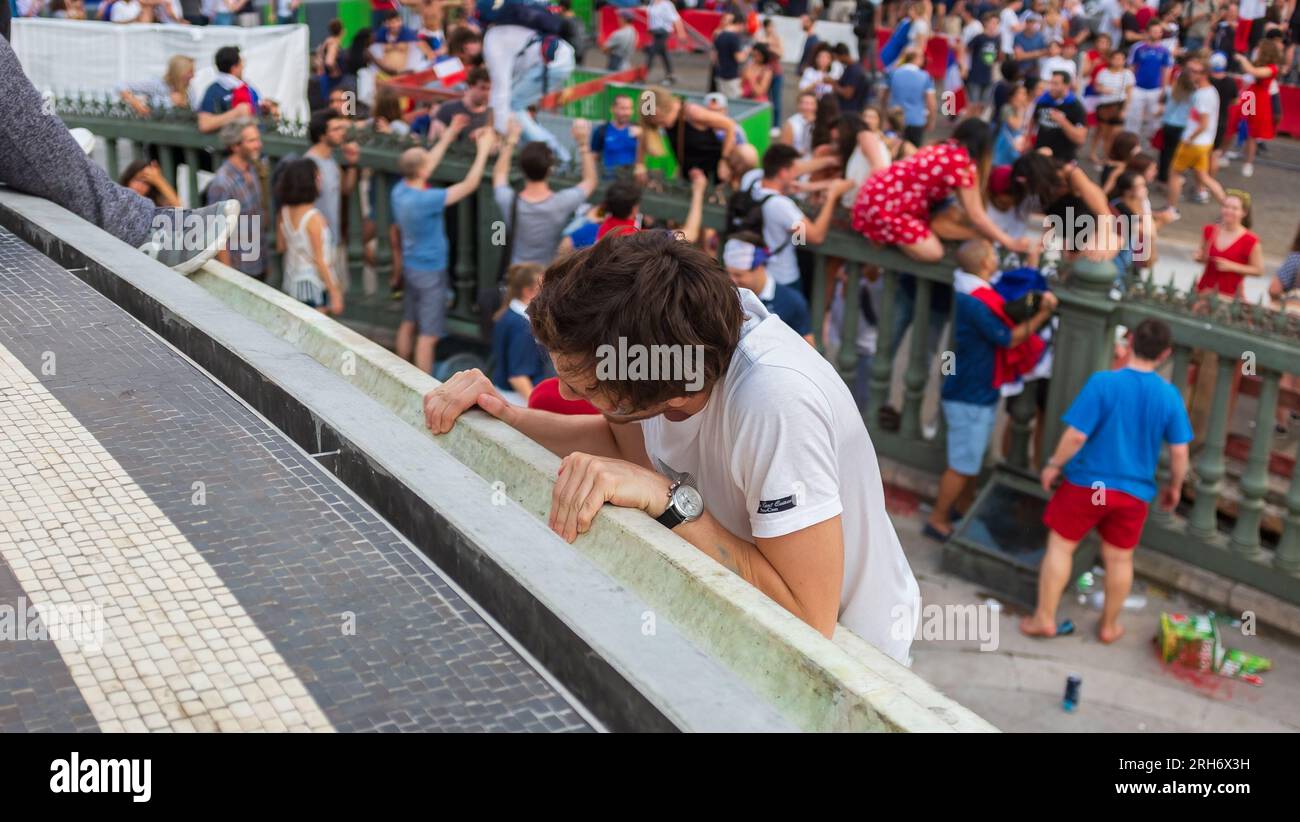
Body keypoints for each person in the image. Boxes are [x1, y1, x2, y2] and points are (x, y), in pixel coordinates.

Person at [421, 230, 922, 662]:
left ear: (675, 389)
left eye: (588, 387)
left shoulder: (775, 401)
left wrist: (669, 500)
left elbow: (808, 618)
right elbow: (622, 442)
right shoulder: (674, 338)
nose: (567, 395)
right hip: (743, 621)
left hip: (849, 660)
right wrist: (505, 416)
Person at [1022, 319, 1191, 643]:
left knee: (1060, 546)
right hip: (1132, 492)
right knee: (1119, 558)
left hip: (1089, 486)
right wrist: (1175, 486)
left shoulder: (1103, 383)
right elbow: (1180, 452)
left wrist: (1054, 465)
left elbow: (1075, 436)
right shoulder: (1169, 396)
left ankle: (1044, 618)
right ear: (1165, 354)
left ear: (1129, 342)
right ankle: (1109, 626)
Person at [925, 239, 1059, 541]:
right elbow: (1007, 338)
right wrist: (1043, 315)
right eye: (993, 255)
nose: (997, 259)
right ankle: (938, 519)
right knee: (962, 466)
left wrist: (1033, 261)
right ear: (985, 264)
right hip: (969, 393)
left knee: (970, 461)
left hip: (975, 390)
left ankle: (962, 508)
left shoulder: (977, 291)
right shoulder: (975, 301)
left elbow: (1012, 289)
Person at [852, 118, 1034, 263]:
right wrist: (1008, 241)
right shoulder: (962, 164)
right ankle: (886, 236)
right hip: (886, 206)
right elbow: (976, 215)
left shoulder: (943, 147)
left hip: (874, 196)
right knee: (934, 253)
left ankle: (882, 236)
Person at [390, 125, 496, 375]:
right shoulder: (428, 199)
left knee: (408, 322)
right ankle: (421, 384)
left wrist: (449, 134)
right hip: (431, 273)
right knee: (429, 336)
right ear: (422, 170)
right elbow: (470, 184)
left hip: (411, 266)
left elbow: (426, 165)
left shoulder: (399, 191)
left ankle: (396, 370)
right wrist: (482, 150)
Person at [738, 144, 857, 289]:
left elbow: (798, 238)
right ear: (783, 173)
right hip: (781, 279)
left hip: (755, 271)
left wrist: (828, 162)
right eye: (794, 169)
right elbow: (816, 236)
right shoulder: (781, 206)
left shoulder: (750, 179)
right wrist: (831, 197)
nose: (798, 174)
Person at [494, 118, 599, 267]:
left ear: (523, 169)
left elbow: (499, 175)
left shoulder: (508, 200)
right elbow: (590, 181)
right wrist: (583, 144)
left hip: (516, 274)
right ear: (550, 169)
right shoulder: (560, 203)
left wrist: (511, 141)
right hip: (545, 275)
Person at [483, 22, 575, 160]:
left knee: (512, 106)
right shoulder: (506, 32)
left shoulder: (495, 46)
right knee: (513, 107)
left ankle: (556, 153)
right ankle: (547, 152)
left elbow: (501, 92)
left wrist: (497, 132)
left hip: (552, 64)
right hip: (557, 60)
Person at [275, 159, 344, 315]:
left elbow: (281, 246)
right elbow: (320, 261)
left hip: (293, 282)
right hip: (314, 286)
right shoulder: (314, 218)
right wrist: (335, 292)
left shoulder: (283, 213)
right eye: (318, 177)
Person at [305, 108, 361, 296]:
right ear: (322, 135)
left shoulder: (331, 161)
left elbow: (346, 188)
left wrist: (352, 164)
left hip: (333, 240)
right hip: (316, 245)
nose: (342, 133)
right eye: (335, 129)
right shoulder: (311, 164)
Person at [723, 233, 815, 344]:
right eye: (728, 273)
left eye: (738, 275)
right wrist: (699, 361)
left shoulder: (792, 301)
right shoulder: (723, 295)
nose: (731, 281)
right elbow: (702, 343)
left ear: (759, 268)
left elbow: (809, 348)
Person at [1165, 55, 1227, 215]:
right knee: (1204, 177)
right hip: (1204, 143)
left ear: (1204, 73)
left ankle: (1171, 208)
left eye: (1195, 71)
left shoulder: (1203, 95)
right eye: (1190, 70)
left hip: (1194, 143)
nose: (1191, 73)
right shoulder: (1210, 91)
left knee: (1174, 173)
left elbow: (1203, 123)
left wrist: (1188, 138)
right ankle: (1227, 205)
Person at [636, 86, 737, 182]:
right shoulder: (655, 118)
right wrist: (640, 164)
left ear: (666, 109)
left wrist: (724, 161)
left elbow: (729, 125)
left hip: (713, 166)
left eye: (662, 121)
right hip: (690, 173)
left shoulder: (692, 112)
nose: (662, 126)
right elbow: (645, 134)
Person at [206, 118, 266, 282]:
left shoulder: (252, 168)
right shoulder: (222, 182)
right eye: (252, 141)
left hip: (258, 260)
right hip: (239, 267)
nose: (258, 145)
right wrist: (229, 275)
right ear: (235, 146)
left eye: (258, 139)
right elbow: (217, 231)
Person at [491, 262, 552, 403]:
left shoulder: (509, 314)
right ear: (528, 292)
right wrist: (537, 408)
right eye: (544, 289)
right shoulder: (522, 326)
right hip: (520, 400)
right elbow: (518, 377)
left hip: (508, 395)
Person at [1194, 190, 1263, 297]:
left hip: (1230, 295)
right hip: (1204, 290)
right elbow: (1203, 257)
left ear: (1243, 212)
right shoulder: (1210, 231)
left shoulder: (1251, 240)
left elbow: (1258, 270)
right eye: (1226, 207)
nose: (1229, 211)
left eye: (1234, 208)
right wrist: (1198, 257)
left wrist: (1232, 266)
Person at [197, 46, 277, 135]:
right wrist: (236, 113)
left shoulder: (247, 88)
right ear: (234, 67)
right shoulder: (214, 90)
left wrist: (264, 111)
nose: (243, 67)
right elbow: (204, 125)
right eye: (241, 63)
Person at [1234, 40, 1283, 178]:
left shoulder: (1273, 68)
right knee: (1241, 124)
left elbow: (1252, 71)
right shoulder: (1258, 63)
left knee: (1252, 133)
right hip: (1248, 96)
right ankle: (1238, 152)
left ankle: (1248, 163)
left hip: (1259, 100)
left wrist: (1242, 58)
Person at [1124, 22, 1173, 141]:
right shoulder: (1138, 48)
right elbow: (1131, 67)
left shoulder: (1164, 51)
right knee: (1133, 117)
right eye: (1154, 31)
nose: (1157, 34)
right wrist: (1129, 87)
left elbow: (1165, 71)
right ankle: (1130, 140)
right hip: (1138, 88)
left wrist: (1163, 89)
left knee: (1155, 119)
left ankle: (1153, 141)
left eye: (1159, 31)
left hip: (1155, 89)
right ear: (1147, 32)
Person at [1029, 69, 1088, 162]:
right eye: (1050, 83)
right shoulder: (1042, 101)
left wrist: (1062, 121)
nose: (1051, 87)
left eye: (1055, 84)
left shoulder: (1076, 106)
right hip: (1040, 156)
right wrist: (1027, 141)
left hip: (1063, 159)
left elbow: (1080, 139)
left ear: (1066, 85)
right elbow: (1032, 122)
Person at [1090, 47, 1134, 165]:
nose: (1118, 61)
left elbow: (1129, 92)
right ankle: (1094, 152)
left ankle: (1108, 156)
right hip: (1105, 104)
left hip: (1119, 104)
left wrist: (1125, 109)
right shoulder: (1103, 73)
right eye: (1115, 58)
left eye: (1120, 58)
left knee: (1114, 134)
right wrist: (1103, 89)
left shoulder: (1128, 74)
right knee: (1102, 132)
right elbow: (1097, 87)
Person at [886, 48, 937, 146]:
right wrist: (931, 120)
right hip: (916, 120)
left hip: (894, 119)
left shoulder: (893, 73)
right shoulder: (925, 76)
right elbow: (931, 103)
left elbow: (882, 97)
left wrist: (884, 116)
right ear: (917, 58)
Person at [429, 65, 492, 142]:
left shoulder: (491, 115)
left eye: (490, 89)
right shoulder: (447, 108)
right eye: (483, 88)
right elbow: (432, 141)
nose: (487, 93)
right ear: (470, 86)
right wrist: (451, 133)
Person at [118, 55, 195, 117]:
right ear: (179, 72)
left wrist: (184, 105)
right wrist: (136, 103)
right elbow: (120, 85)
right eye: (190, 72)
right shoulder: (157, 84)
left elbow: (196, 112)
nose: (193, 76)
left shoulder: (189, 90)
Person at [590, 95, 640, 178]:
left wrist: (642, 137)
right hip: (608, 181)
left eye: (629, 108)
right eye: (623, 108)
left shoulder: (638, 129)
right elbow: (593, 158)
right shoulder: (602, 130)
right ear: (613, 109)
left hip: (632, 182)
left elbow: (654, 153)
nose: (627, 112)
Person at [966, 12, 1002, 119]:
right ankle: (968, 122)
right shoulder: (979, 37)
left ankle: (976, 122)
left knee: (984, 103)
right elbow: (966, 49)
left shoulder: (997, 39)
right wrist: (964, 67)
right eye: (992, 23)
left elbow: (997, 57)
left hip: (989, 75)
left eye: (996, 23)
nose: (994, 25)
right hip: (976, 74)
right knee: (973, 103)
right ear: (986, 23)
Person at [646, 0, 687, 85]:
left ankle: (643, 75)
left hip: (663, 32)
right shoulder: (652, 3)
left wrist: (681, 32)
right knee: (663, 53)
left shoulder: (667, 4)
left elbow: (676, 19)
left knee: (652, 52)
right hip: (655, 32)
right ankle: (670, 75)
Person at [712, 16, 748, 99]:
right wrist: (746, 52)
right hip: (731, 76)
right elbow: (739, 58)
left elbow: (714, 57)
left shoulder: (719, 35)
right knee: (733, 102)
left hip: (720, 74)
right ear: (740, 24)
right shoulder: (734, 38)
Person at [833, 43, 872, 114]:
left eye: (837, 58)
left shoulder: (854, 70)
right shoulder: (851, 67)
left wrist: (834, 86)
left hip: (851, 111)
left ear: (841, 56)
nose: (838, 61)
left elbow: (848, 94)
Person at [779, 91, 819, 157]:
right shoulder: (791, 123)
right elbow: (784, 150)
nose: (808, 107)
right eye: (805, 103)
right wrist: (797, 153)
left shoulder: (820, 122)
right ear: (798, 105)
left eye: (811, 104)